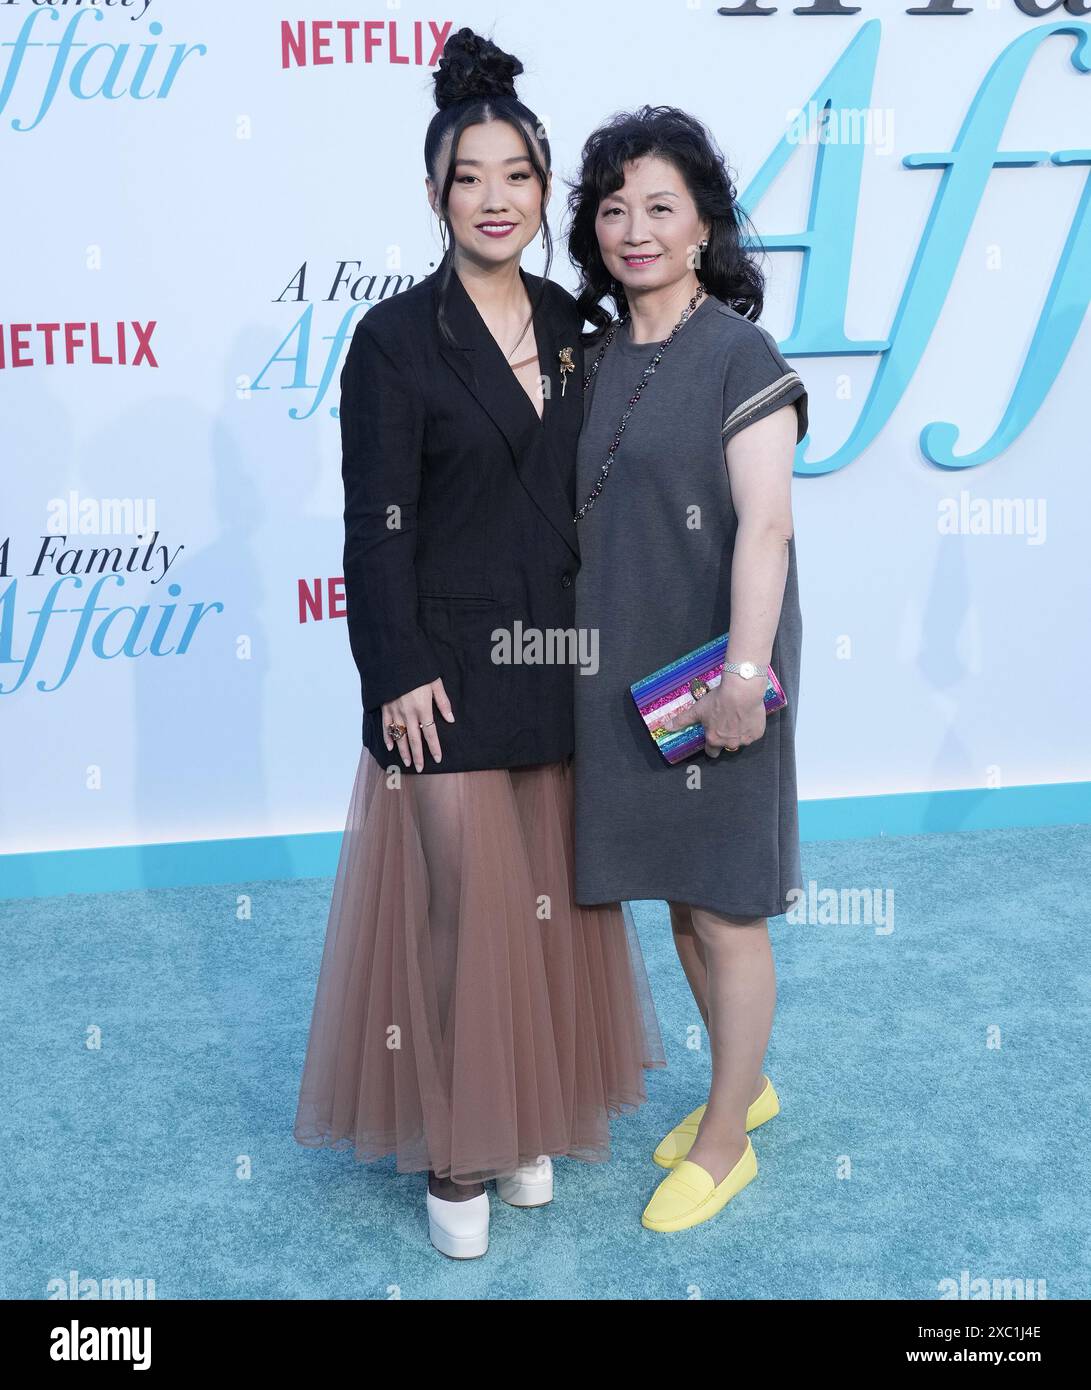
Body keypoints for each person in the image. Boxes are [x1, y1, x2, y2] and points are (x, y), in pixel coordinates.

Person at [293, 31, 664, 1260]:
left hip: (553, 662)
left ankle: (528, 1124)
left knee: (546, 911)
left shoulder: (576, 326)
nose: (496, 198)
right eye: (471, 177)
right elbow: (372, 526)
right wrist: (391, 666)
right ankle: (459, 1145)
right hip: (440, 676)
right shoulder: (394, 342)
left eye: (518, 175)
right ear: (434, 193)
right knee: (460, 913)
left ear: (544, 191)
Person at [566, 105, 809, 1233]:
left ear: (704, 222)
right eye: (613, 206)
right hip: (622, 668)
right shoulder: (592, 349)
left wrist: (744, 679)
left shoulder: (738, 353)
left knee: (724, 907)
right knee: (672, 898)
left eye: (660, 206)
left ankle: (725, 1140)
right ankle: (740, 1078)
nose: (634, 227)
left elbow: (764, 526)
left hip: (718, 666)